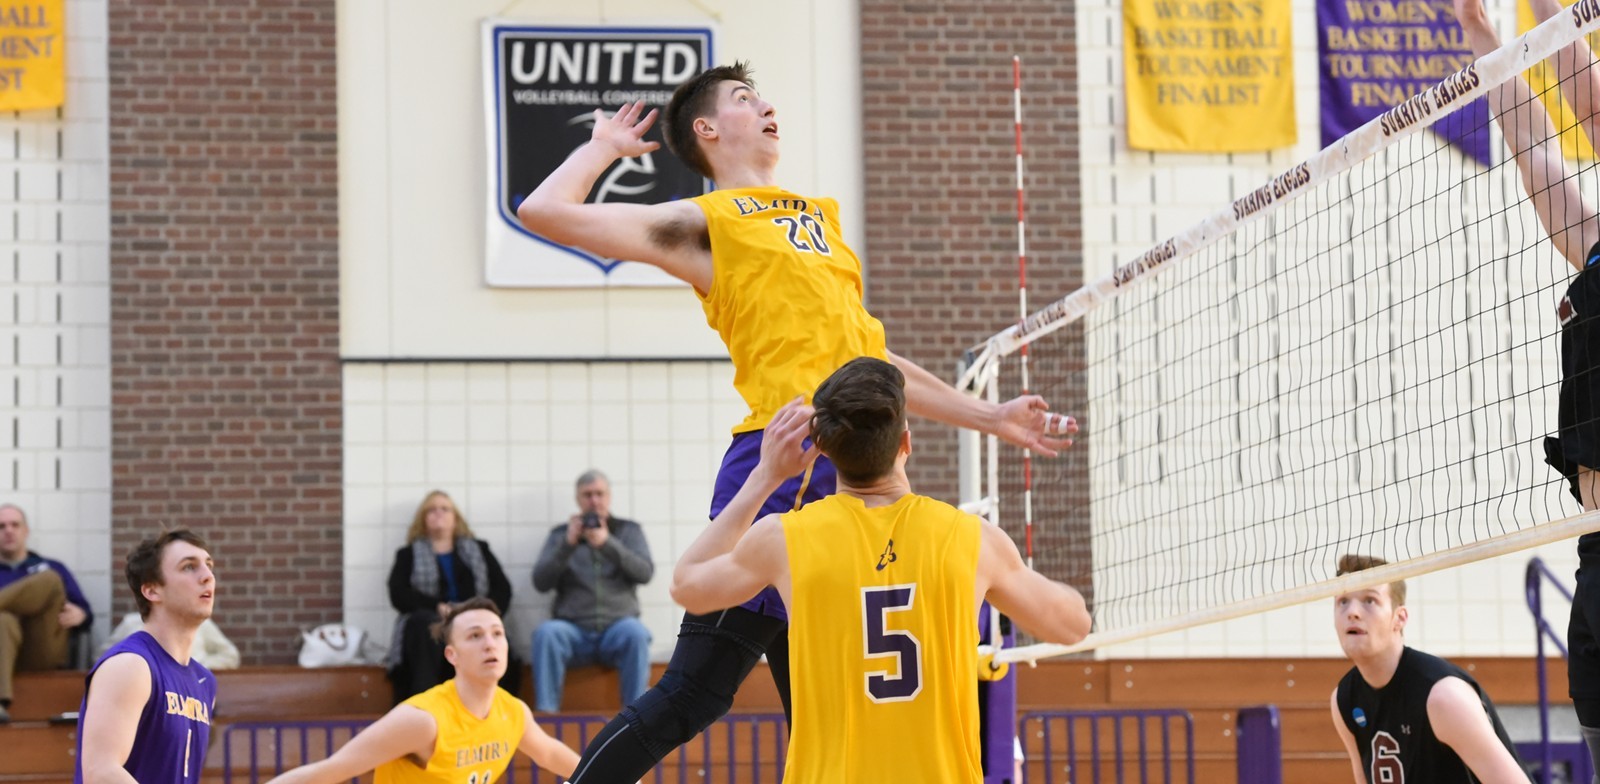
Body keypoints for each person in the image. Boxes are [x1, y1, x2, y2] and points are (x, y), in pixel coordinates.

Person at [518, 62, 1077, 780]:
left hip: (855, 472)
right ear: (708, 130)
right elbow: (543, 211)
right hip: (780, 466)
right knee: (692, 695)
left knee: (833, 706)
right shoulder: (703, 223)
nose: (768, 106)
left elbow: (871, 364)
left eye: (765, 96)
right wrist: (601, 147)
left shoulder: (820, 219)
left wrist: (989, 415)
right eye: (746, 100)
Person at [666, 357, 1091, 782]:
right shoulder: (972, 539)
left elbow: (688, 585)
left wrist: (765, 475)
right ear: (906, 442)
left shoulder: (783, 539)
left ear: (824, 450)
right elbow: (1073, 626)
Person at [1456, 0, 1600, 774]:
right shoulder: (1594, 256)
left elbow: (1591, 109)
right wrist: (1490, 47)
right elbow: (1537, 156)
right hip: (1595, 555)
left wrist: (1551, 13)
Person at [264, 598, 580, 784]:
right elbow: (333, 770)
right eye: (475, 636)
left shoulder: (513, 712)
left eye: (498, 634)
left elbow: (550, 754)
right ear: (452, 655)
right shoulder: (423, 720)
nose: (489, 643)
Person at [1329, 554, 1527, 783]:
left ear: (1399, 618)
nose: (1352, 612)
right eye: (1343, 601)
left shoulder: (1443, 696)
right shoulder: (1344, 699)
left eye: (1369, 600)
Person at [75, 529, 217, 784]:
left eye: (208, 566)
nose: (207, 577)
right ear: (152, 591)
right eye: (188, 567)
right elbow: (101, 773)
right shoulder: (130, 665)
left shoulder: (205, 681)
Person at [530, 469, 653, 713]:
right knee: (547, 633)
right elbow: (540, 582)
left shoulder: (629, 531)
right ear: (578, 499)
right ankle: (546, 716)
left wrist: (608, 544)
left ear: (609, 497)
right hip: (573, 631)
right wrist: (567, 545)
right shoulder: (560, 535)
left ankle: (637, 717)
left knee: (636, 633)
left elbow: (644, 573)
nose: (594, 500)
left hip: (617, 628)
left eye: (599, 494)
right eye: (587, 495)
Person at [386, 491, 514, 703]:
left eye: (444, 509)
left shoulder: (479, 550)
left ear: (455, 518)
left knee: (491, 632)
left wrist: (475, 613)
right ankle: (424, 706)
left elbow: (502, 590)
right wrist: (438, 608)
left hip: (472, 619)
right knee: (424, 625)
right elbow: (398, 594)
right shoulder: (407, 554)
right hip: (429, 622)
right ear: (423, 519)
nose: (438, 514)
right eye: (431, 510)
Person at [0, 502, 93, 723]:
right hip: (2, 652)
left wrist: (81, 615)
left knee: (50, 579)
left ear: (26, 531)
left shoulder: (51, 566)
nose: (8, 531)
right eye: (1, 526)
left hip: (41, 649)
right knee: (3, 620)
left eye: (15, 525)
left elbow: (85, 612)